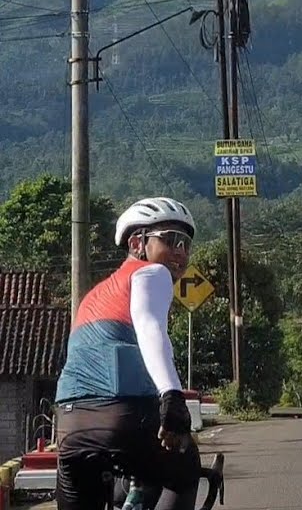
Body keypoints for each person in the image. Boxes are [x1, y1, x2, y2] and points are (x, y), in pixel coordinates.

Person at [54, 197, 203, 510]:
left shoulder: (94, 294)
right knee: (186, 466)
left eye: (186, 244)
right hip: (121, 416)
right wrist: (172, 396)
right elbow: (150, 328)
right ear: (137, 243)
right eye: (171, 240)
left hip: (70, 424)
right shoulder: (152, 273)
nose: (181, 252)